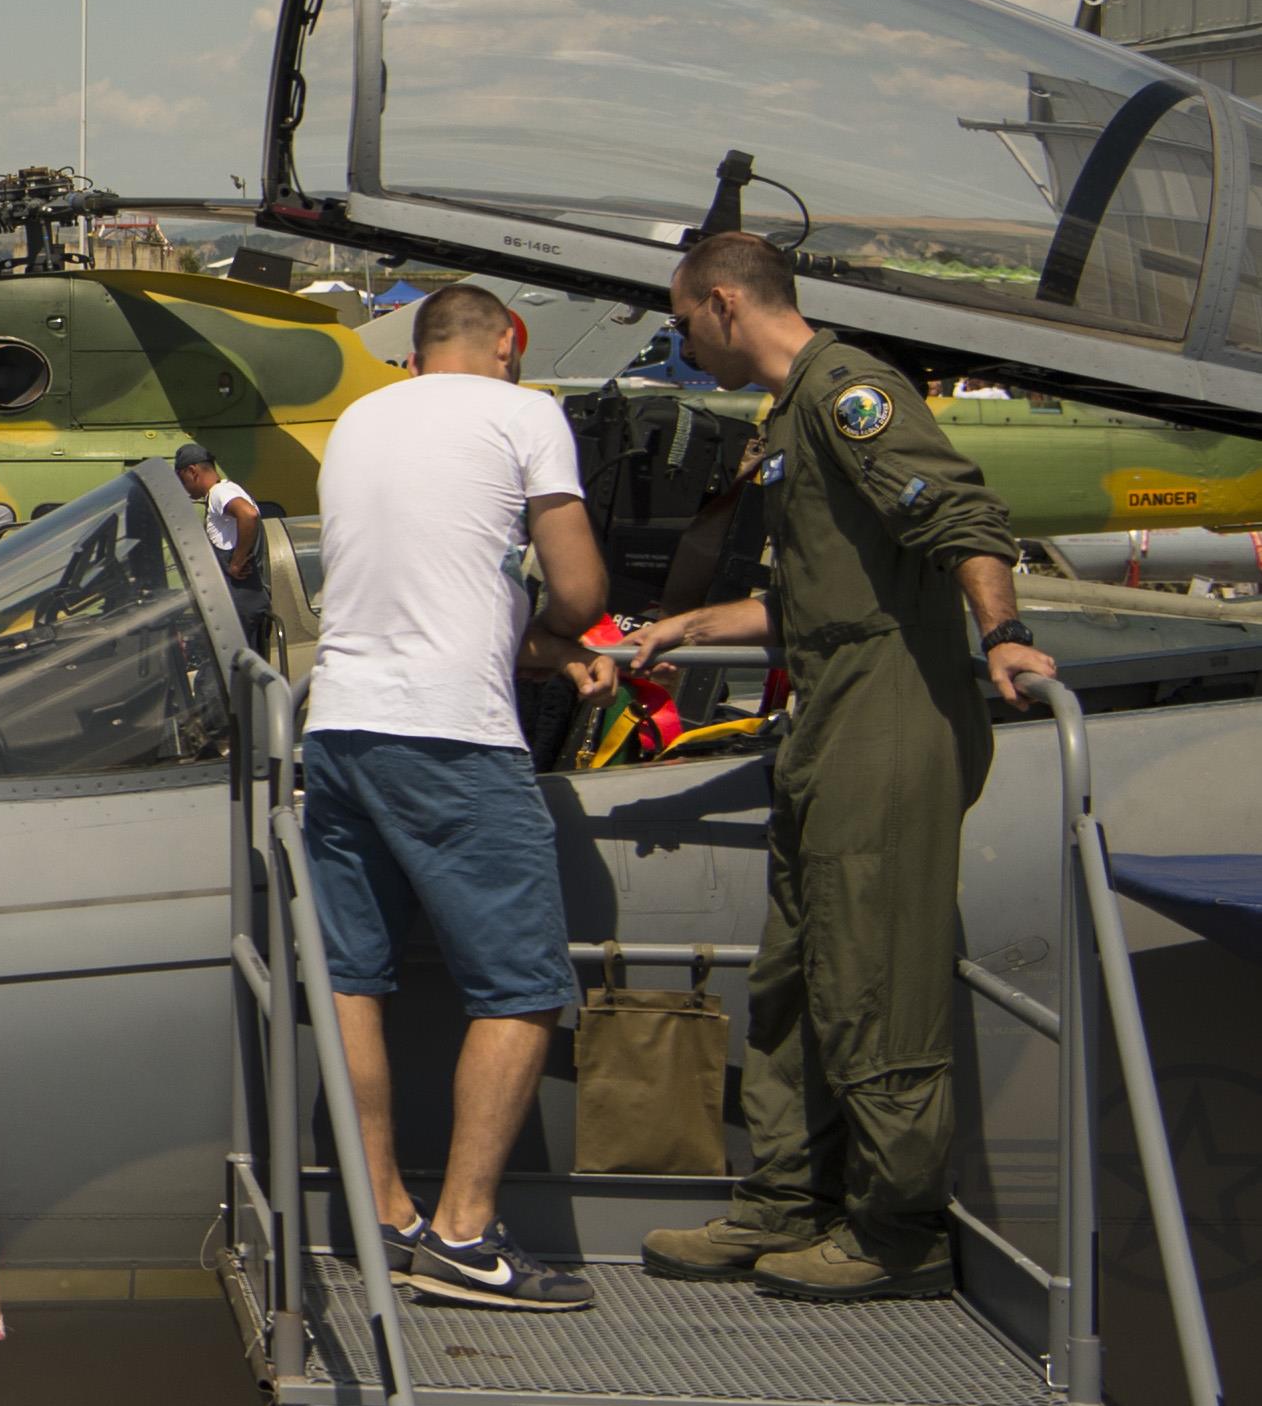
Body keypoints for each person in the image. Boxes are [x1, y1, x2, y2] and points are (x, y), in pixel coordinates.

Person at [626, 228, 1056, 1303]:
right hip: (826, 714)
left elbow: (961, 514)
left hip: (889, 715)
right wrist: (686, 626)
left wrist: (999, 635)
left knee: (873, 977)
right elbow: (809, 593)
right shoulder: (790, 413)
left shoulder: (846, 393)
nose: (683, 347)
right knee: (794, 973)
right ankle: (786, 1199)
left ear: (723, 302)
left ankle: (895, 1228)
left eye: (684, 323)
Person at [300, 280, 611, 1312]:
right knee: (522, 983)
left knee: (352, 976)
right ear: (506, 344)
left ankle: (383, 1213)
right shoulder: (523, 411)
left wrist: (526, 639)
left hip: (338, 729)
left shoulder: (355, 419)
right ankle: (466, 1234)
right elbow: (578, 593)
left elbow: (415, 590)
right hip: (450, 741)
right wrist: (565, 631)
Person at [173, 442, 271, 652]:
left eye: (182, 480)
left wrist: (236, 563)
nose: (184, 488)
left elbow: (248, 514)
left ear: (192, 471)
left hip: (240, 609)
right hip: (245, 606)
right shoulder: (227, 490)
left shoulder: (219, 492)